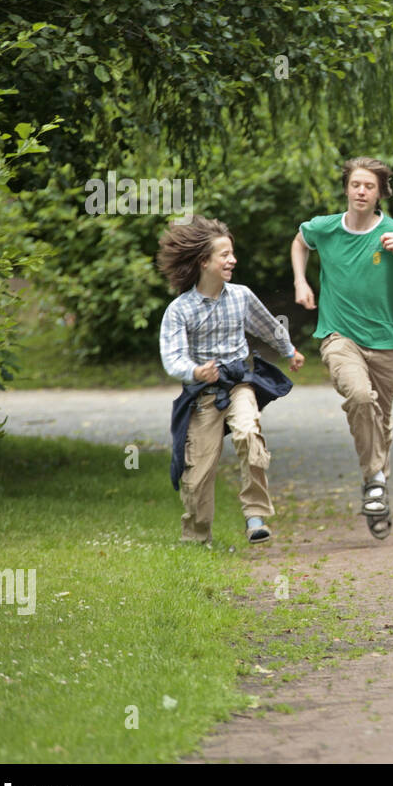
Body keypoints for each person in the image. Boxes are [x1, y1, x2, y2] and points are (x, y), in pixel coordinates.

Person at [290, 156, 393, 539]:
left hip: (386, 342)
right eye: (355, 184)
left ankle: (376, 487)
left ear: (379, 193)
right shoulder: (326, 228)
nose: (361, 191)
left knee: (381, 420)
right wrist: (301, 282)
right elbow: (300, 241)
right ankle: (374, 478)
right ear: (347, 188)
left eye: (369, 186)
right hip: (339, 336)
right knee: (358, 396)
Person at [157, 217, 305, 546]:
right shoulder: (180, 310)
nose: (232, 260)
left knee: (249, 433)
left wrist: (289, 350)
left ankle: (255, 516)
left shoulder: (241, 296)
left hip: (239, 384)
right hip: (202, 395)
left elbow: (269, 327)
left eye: (232, 253)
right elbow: (173, 357)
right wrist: (195, 372)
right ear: (204, 261)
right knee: (196, 475)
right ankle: (197, 539)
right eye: (224, 255)